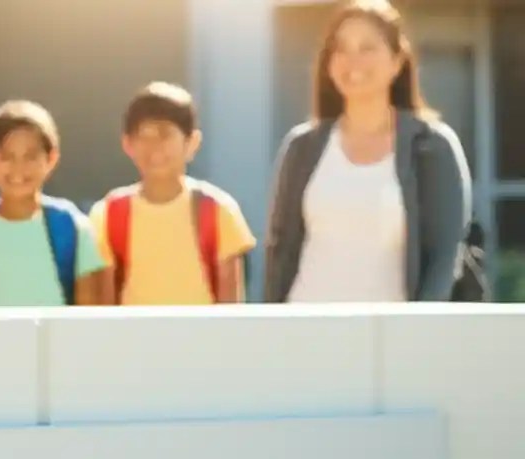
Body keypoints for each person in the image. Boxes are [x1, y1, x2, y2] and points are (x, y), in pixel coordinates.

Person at [265, 0, 471, 303]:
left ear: (397, 61)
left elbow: (444, 256)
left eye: (367, 48)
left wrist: (417, 329)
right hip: (303, 331)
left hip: (389, 338)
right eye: (341, 49)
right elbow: (279, 251)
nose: (353, 61)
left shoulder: (431, 145)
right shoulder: (302, 146)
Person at [89, 82, 256, 305]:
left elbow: (232, 304)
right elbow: (104, 303)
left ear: (192, 142)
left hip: (200, 338)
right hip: (132, 339)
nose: (154, 146)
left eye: (165, 134)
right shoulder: (108, 213)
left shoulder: (217, 209)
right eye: (144, 135)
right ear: (128, 144)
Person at [0, 101, 109, 307]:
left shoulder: (71, 227)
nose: (19, 168)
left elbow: (86, 316)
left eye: (31, 156)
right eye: (7, 156)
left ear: (51, 158)